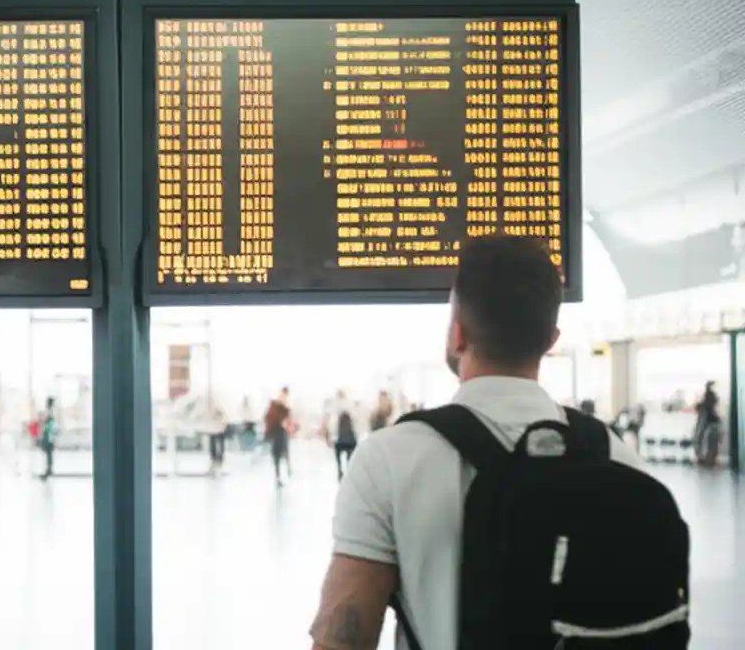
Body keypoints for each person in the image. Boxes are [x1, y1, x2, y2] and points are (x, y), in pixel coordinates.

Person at [310, 236, 671, 650]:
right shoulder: (616, 456)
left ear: (458, 335)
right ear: (550, 340)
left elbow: (345, 636)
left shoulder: (389, 458)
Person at [263, 387, 291, 487]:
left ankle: (281, 473)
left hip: (277, 431)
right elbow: (281, 418)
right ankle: (280, 474)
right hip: (277, 431)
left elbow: (266, 417)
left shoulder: (277, 404)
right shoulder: (279, 404)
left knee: (279, 453)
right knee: (279, 453)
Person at [694, 381, 721, 466]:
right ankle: (706, 458)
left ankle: (704, 457)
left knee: (701, 439)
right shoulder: (707, 412)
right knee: (704, 439)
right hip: (709, 420)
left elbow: (699, 436)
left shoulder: (707, 412)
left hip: (708, 420)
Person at [333, 402, 358, 480]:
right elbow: (355, 436)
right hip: (350, 443)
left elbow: (336, 437)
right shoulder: (350, 425)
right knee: (350, 454)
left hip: (341, 444)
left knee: (337, 451)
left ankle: (340, 469)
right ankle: (349, 468)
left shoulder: (340, 426)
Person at [39, 397, 57, 480]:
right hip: (49, 434)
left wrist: (45, 429)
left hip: (48, 434)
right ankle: (49, 469)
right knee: (48, 453)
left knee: (48, 452)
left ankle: (48, 470)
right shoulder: (50, 411)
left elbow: (49, 423)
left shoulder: (50, 412)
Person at [207, 403, 228, 475]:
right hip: (216, 428)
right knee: (215, 441)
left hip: (218, 428)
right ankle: (216, 459)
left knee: (217, 441)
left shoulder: (220, 410)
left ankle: (217, 459)